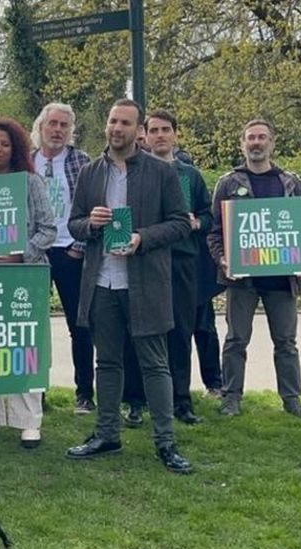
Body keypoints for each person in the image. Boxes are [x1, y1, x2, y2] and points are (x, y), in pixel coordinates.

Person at [64, 99, 193, 474]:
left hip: (145, 281)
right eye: (112, 121)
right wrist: (91, 223)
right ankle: (107, 435)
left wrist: (142, 238)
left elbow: (180, 223)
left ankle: (166, 443)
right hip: (101, 281)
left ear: (139, 131)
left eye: (124, 123)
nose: (116, 128)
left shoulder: (161, 172)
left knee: (155, 364)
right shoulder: (90, 172)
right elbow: (73, 224)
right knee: (107, 363)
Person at [207, 119, 301, 417]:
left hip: (283, 279)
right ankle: (231, 398)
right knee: (235, 340)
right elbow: (215, 232)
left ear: (272, 143)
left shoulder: (292, 183)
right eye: (250, 138)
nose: (256, 143)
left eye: (262, 138)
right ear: (242, 144)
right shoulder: (228, 183)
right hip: (242, 279)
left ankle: (292, 400)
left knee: (286, 343)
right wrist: (222, 259)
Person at [0, 118, 57, 449]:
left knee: (23, 347)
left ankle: (29, 421)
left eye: (4, 143)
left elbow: (48, 229)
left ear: (15, 148)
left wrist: (23, 254)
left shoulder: (31, 183)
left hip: (25, 276)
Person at [121, 110, 213, 426]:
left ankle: (181, 400)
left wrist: (198, 222)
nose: (160, 135)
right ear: (144, 135)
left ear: (175, 134)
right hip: (144, 261)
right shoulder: (133, 172)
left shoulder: (191, 175)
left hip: (182, 263)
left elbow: (209, 215)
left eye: (166, 130)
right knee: (138, 332)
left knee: (181, 331)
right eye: (154, 130)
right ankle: (135, 399)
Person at [30, 103, 95, 414]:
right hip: (36, 252)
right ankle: (36, 394)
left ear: (71, 131)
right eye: (52, 124)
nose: (57, 130)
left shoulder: (82, 161)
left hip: (71, 249)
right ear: (41, 127)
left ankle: (84, 394)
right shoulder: (26, 162)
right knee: (34, 326)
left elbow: (93, 206)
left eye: (63, 125)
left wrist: (79, 247)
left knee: (80, 324)